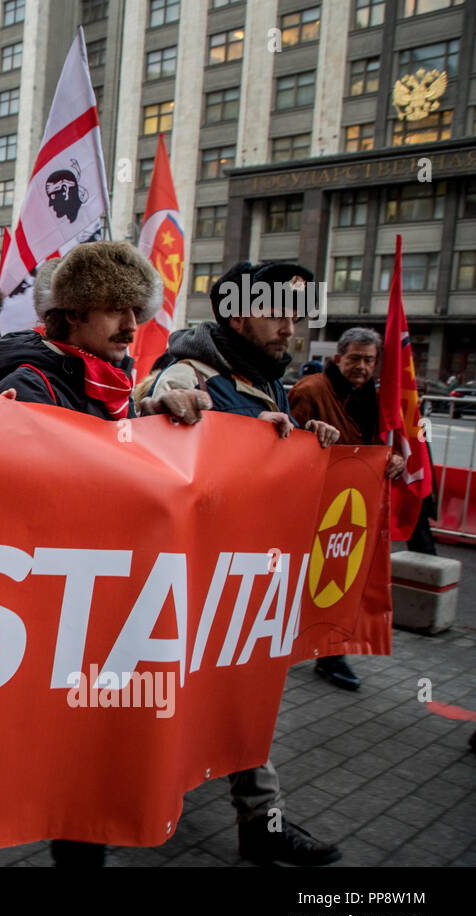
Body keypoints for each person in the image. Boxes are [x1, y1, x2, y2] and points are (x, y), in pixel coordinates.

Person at [0, 241, 212, 866]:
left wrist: (154, 415)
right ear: (74, 314)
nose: (131, 326)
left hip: (92, 610)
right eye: (116, 310)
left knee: (88, 776)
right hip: (36, 615)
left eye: (136, 311)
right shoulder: (29, 383)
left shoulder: (111, 385)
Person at [150, 259, 343, 866]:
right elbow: (150, 421)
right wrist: (183, 410)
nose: (291, 328)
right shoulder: (189, 371)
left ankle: (259, 819)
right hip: (189, 580)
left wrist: (302, 444)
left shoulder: (266, 378)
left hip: (238, 580)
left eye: (297, 316)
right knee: (190, 697)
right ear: (236, 316)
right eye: (278, 313)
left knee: (241, 697)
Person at [290, 327, 406, 692]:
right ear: (338, 357)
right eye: (355, 358)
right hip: (309, 505)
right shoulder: (311, 391)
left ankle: (331, 653)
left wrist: (394, 459)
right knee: (296, 581)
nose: (362, 367)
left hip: (350, 511)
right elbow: (286, 444)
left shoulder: (376, 399)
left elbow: (380, 445)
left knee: (337, 581)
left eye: (369, 360)